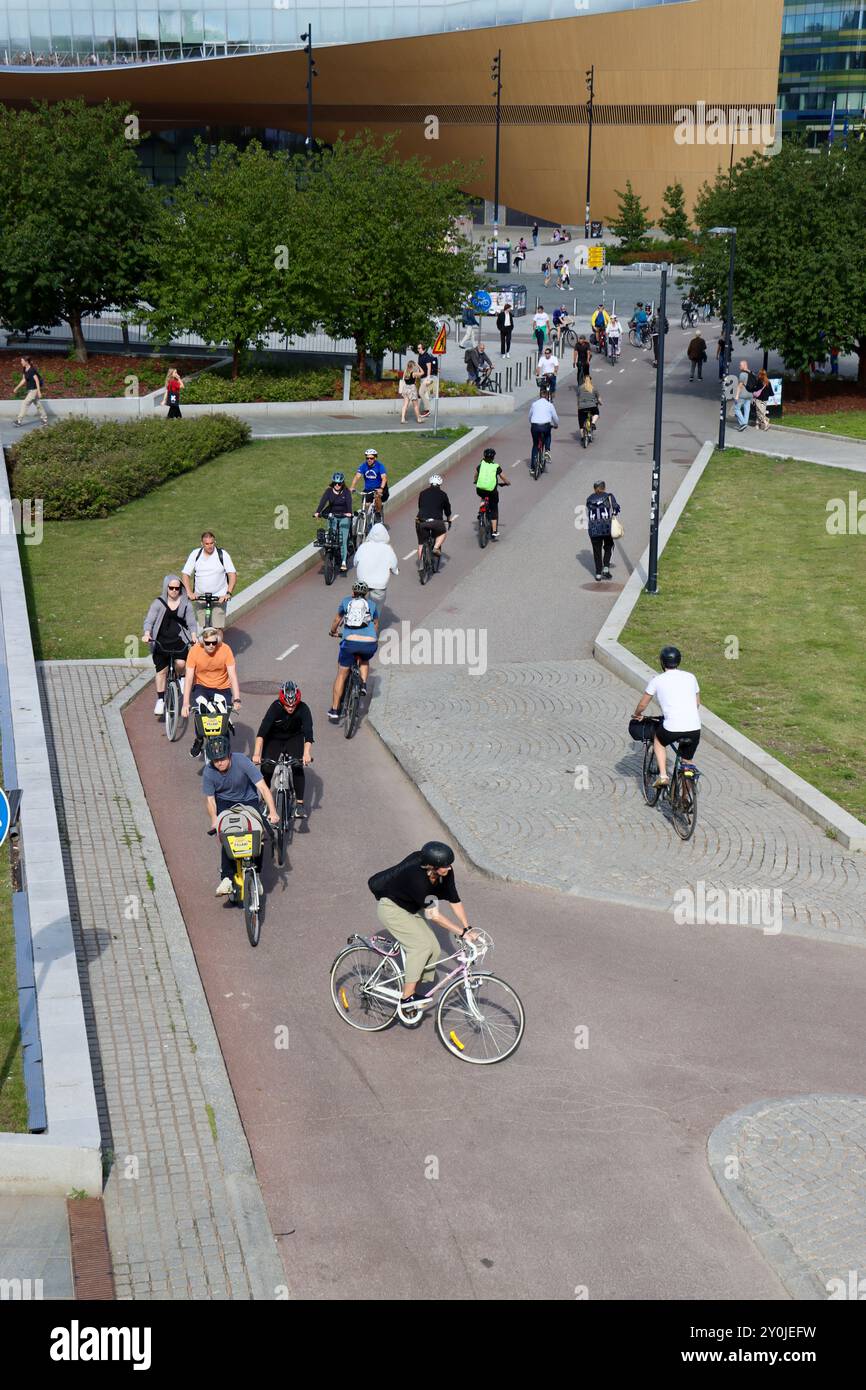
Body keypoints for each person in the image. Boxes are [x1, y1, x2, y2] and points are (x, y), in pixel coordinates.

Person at [367, 842, 476, 1009]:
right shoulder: (417, 877)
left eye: (449, 864)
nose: (448, 868)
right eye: (444, 866)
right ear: (432, 866)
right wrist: (461, 933)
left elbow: (454, 898)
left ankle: (413, 993)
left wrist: (467, 927)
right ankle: (407, 998)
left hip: (413, 908)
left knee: (434, 948)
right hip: (392, 909)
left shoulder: (446, 872)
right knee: (421, 947)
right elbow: (434, 915)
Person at [202, 737, 279, 897]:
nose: (219, 763)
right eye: (215, 760)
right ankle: (226, 878)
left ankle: (257, 874)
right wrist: (214, 820)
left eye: (222, 758)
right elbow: (210, 800)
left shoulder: (242, 761)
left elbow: (263, 788)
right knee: (227, 835)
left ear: (229, 755)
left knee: (259, 834)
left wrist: (272, 811)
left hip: (248, 800)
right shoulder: (209, 772)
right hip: (224, 803)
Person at [631, 646, 701, 790]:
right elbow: (697, 704)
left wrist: (637, 714)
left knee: (658, 740)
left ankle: (663, 776)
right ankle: (687, 796)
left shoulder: (657, 680)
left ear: (662, 662)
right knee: (687, 761)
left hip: (672, 728)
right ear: (679, 661)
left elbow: (643, 704)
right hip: (694, 728)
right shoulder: (691, 677)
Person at [252, 681, 314, 821]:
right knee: (267, 767)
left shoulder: (304, 708)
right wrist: (256, 754)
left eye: (293, 705)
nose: (290, 708)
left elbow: (309, 734)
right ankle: (264, 800)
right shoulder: (275, 707)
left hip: (294, 737)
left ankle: (299, 804)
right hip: (274, 738)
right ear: (282, 701)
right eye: (287, 705)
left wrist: (306, 753)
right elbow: (261, 733)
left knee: (297, 766)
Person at [142, 574, 197, 717]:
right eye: (171, 588)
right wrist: (147, 634)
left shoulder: (186, 604)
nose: (174, 591)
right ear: (166, 588)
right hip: (161, 641)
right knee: (161, 671)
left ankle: (181, 676)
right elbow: (149, 621)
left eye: (177, 588)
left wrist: (193, 636)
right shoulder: (158, 603)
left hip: (179, 641)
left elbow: (191, 623)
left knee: (181, 663)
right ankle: (160, 700)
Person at [182, 628, 241, 757]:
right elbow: (189, 678)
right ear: (202, 641)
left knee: (222, 719)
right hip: (201, 686)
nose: (211, 646)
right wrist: (185, 703)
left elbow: (232, 675)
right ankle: (199, 739)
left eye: (214, 643)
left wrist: (237, 698)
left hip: (222, 688)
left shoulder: (225, 650)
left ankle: (225, 749)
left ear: (218, 641)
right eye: (207, 643)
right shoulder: (194, 651)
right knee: (200, 709)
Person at [327, 581, 379, 722]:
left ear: (353, 592)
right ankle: (363, 684)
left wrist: (333, 631)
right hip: (369, 643)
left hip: (350, 642)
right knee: (365, 659)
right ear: (366, 593)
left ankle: (335, 710)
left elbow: (337, 619)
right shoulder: (372, 605)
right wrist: (372, 637)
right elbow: (376, 623)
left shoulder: (346, 601)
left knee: (341, 674)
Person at [182, 532, 237, 631]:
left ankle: (219, 640)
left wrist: (228, 593)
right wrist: (189, 592)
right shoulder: (195, 554)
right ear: (202, 544)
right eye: (206, 544)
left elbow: (232, 574)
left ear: (214, 542)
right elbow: (185, 574)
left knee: (217, 628)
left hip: (219, 597)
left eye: (211, 543)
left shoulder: (222, 554)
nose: (210, 546)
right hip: (200, 597)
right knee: (205, 628)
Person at [314, 471, 353, 573]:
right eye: (335, 483)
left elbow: (349, 503)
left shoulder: (346, 492)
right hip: (333, 515)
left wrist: (349, 513)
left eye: (339, 483)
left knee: (343, 539)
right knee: (331, 535)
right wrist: (318, 512)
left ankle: (343, 562)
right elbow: (323, 501)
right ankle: (331, 553)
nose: (337, 485)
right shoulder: (329, 491)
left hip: (344, 516)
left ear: (342, 483)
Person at [354, 522, 398, 605]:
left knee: (358, 603)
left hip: (362, 583)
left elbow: (355, 562)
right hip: (379, 585)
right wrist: (395, 571)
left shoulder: (363, 546)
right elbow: (394, 565)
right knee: (376, 607)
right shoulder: (388, 549)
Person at [586, 480, 621, 581]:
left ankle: (598, 574)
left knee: (596, 550)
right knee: (609, 546)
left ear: (594, 489)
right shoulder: (608, 496)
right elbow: (616, 509)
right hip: (606, 527)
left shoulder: (589, 499)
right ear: (604, 487)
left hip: (593, 529)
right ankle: (605, 567)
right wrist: (613, 513)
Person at [474, 446, 510, 540]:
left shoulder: (481, 465)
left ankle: (481, 510)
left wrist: (475, 481)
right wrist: (507, 482)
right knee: (494, 508)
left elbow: (476, 475)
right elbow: (503, 477)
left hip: (480, 489)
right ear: (493, 457)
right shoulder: (496, 466)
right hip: (491, 491)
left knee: (483, 496)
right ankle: (494, 532)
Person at [415, 473, 452, 562]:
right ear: (440, 484)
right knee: (442, 532)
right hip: (436, 521)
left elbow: (420, 506)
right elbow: (447, 509)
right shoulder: (443, 495)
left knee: (421, 543)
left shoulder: (422, 493)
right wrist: (448, 518)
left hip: (421, 520)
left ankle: (421, 563)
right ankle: (435, 547)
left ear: (430, 483)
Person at [351, 448, 389, 523]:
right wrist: (352, 487)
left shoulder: (380, 466)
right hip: (368, 489)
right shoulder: (363, 466)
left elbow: (384, 478)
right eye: (367, 458)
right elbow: (357, 476)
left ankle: (378, 513)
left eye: (371, 458)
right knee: (365, 505)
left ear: (375, 458)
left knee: (377, 496)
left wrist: (381, 488)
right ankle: (366, 522)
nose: (369, 460)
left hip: (379, 488)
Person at [12, 356, 48, 426]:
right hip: (30, 390)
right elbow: (24, 380)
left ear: (26, 362)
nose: (21, 362)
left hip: (34, 390)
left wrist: (39, 391)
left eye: (22, 361)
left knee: (25, 403)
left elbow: (37, 381)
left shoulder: (32, 370)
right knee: (38, 404)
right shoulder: (24, 369)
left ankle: (19, 421)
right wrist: (16, 388)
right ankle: (45, 419)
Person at [528, 394, 559, 468]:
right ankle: (547, 450)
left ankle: (533, 468)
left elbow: (529, 416)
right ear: (547, 397)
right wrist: (556, 425)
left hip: (535, 426)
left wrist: (532, 423)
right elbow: (555, 417)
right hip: (545, 426)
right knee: (548, 435)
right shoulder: (550, 405)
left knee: (535, 445)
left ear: (540, 396)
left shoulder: (534, 404)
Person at [398, 359, 427, 424]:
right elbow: (423, 373)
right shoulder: (414, 373)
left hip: (405, 388)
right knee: (415, 405)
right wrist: (418, 365)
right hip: (412, 389)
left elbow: (404, 379)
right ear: (413, 366)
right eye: (414, 365)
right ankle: (419, 419)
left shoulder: (405, 372)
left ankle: (402, 419)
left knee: (405, 405)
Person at [734, 359, 757, 430]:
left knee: (736, 409)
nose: (739, 367)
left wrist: (737, 396)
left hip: (743, 395)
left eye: (740, 365)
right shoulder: (753, 373)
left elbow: (740, 386)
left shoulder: (742, 374)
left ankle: (743, 423)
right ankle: (745, 424)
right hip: (750, 395)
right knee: (747, 409)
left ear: (744, 365)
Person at [416, 342, 439, 416]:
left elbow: (429, 367)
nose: (418, 349)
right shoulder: (420, 356)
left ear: (423, 348)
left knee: (420, 392)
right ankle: (427, 411)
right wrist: (417, 374)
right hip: (422, 378)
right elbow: (420, 367)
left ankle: (427, 410)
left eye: (419, 348)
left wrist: (428, 378)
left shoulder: (427, 356)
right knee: (425, 394)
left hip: (426, 378)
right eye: (417, 348)